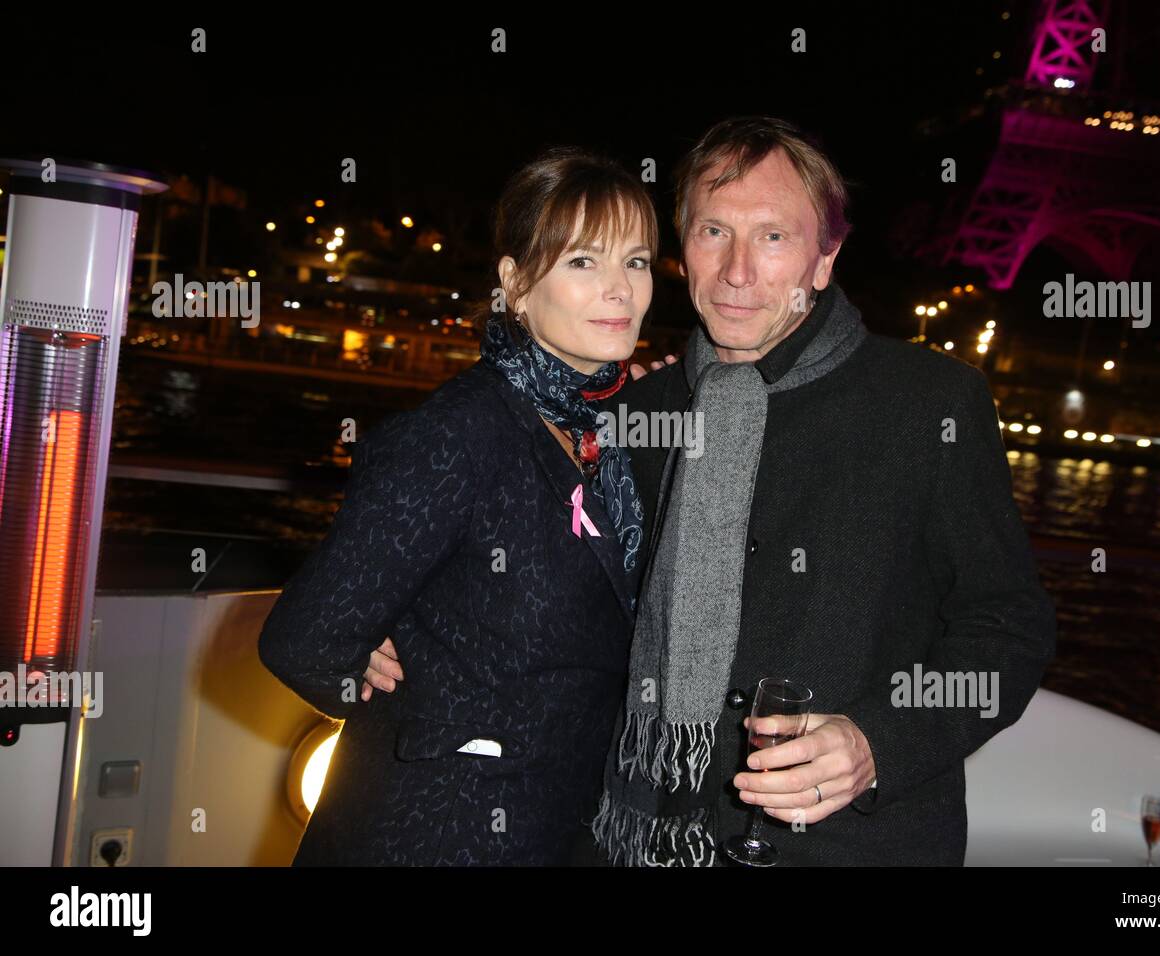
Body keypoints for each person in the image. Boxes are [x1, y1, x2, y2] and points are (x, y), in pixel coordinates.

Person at [368, 116, 1059, 866]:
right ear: (682, 247)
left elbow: (1009, 633)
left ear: (825, 259)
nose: (736, 271)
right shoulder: (634, 413)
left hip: (851, 847)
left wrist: (877, 741)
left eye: (773, 238)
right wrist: (401, 612)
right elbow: (535, 580)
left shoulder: (932, 405)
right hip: (630, 839)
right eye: (712, 232)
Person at [258, 146, 657, 865]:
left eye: (636, 261)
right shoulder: (459, 433)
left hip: (557, 827)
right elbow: (304, 641)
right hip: (440, 832)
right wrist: (426, 697)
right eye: (582, 262)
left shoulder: (604, 433)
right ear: (516, 284)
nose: (620, 290)